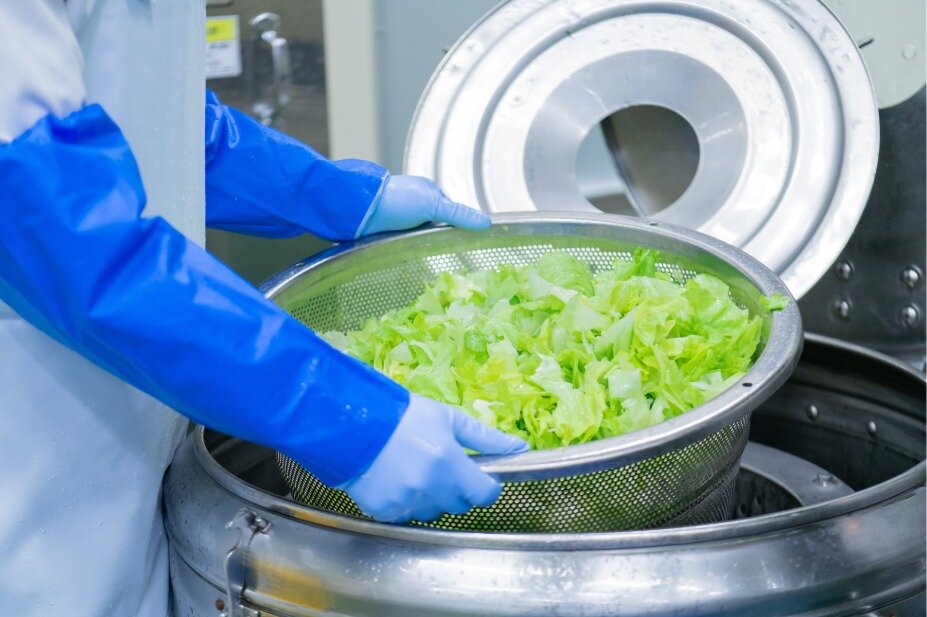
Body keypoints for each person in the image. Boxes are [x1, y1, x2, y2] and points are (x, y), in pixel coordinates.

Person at [0, 2, 526, 615]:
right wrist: (339, 412)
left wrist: (331, 194)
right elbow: (58, 229)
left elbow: (147, 116)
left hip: (124, 438)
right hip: (33, 470)